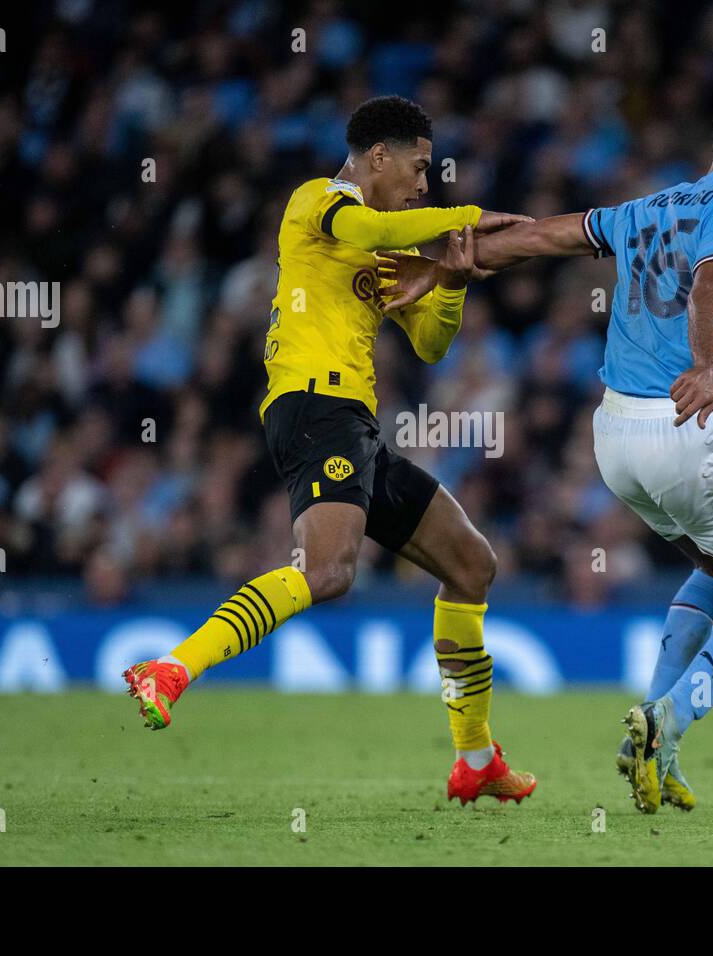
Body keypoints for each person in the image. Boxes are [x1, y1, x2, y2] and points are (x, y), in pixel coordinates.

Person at [381, 95, 713, 813]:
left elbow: (546, 238)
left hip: (614, 437)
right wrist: (706, 363)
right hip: (686, 421)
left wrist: (452, 260)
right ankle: (675, 714)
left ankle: (652, 736)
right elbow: (712, 280)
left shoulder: (645, 207)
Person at [125, 95, 537, 806]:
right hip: (313, 407)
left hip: (355, 425)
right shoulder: (317, 202)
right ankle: (169, 669)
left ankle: (476, 759)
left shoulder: (390, 250)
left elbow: (433, 345)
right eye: (418, 167)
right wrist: (466, 219)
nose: (424, 184)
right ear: (377, 156)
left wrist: (450, 280)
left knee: (472, 565)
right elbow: (376, 222)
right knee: (328, 571)